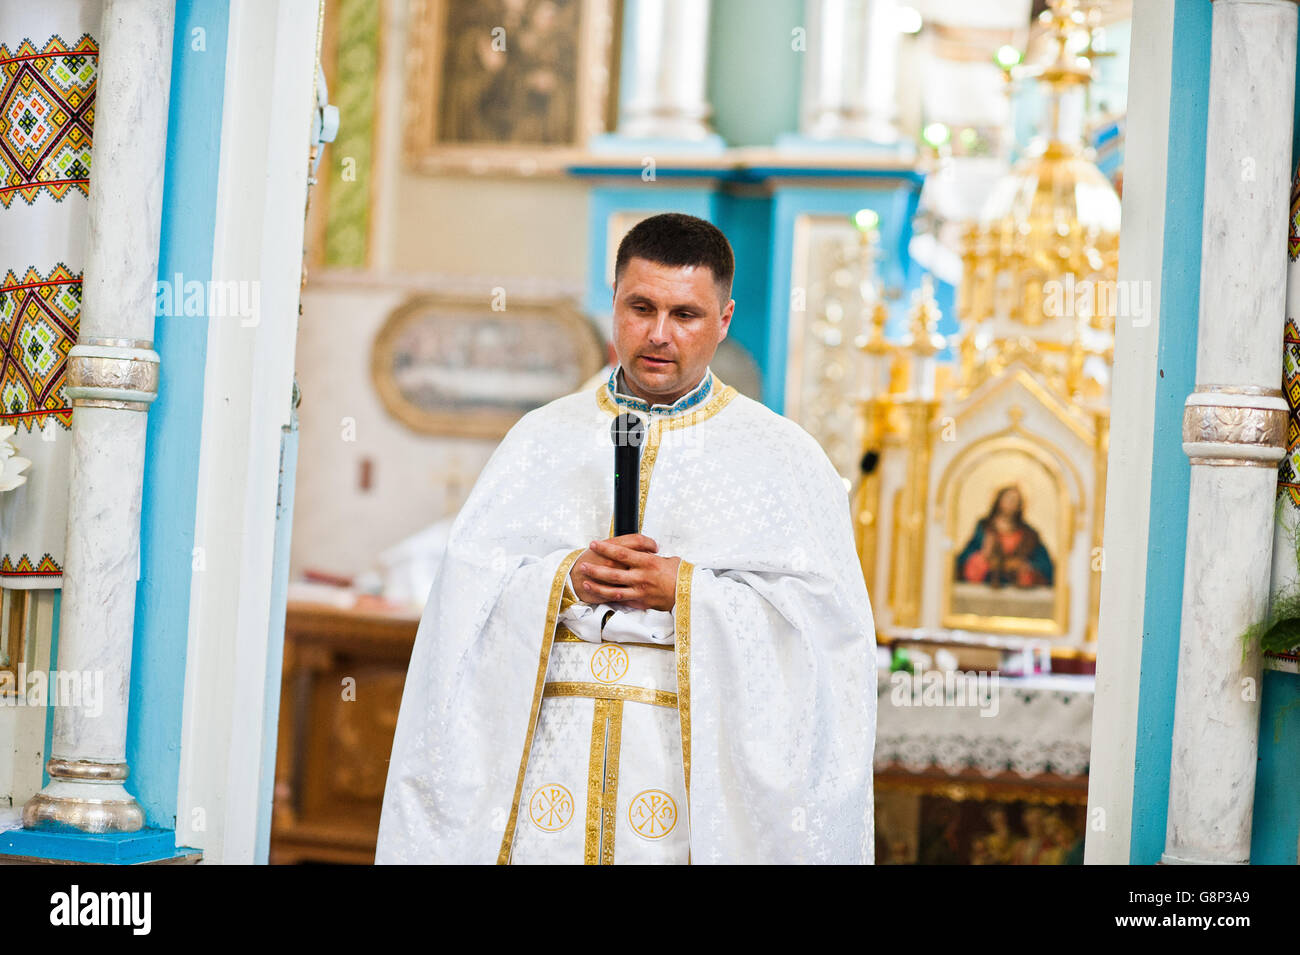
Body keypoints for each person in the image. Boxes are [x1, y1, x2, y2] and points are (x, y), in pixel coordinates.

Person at [376, 212, 877, 864]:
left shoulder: (785, 458)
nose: (659, 334)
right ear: (612, 303)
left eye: (686, 314)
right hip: (543, 768)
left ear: (724, 319)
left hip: (688, 773)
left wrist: (686, 590)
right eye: (640, 307)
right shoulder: (540, 439)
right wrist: (563, 579)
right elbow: (460, 607)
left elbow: (830, 642)